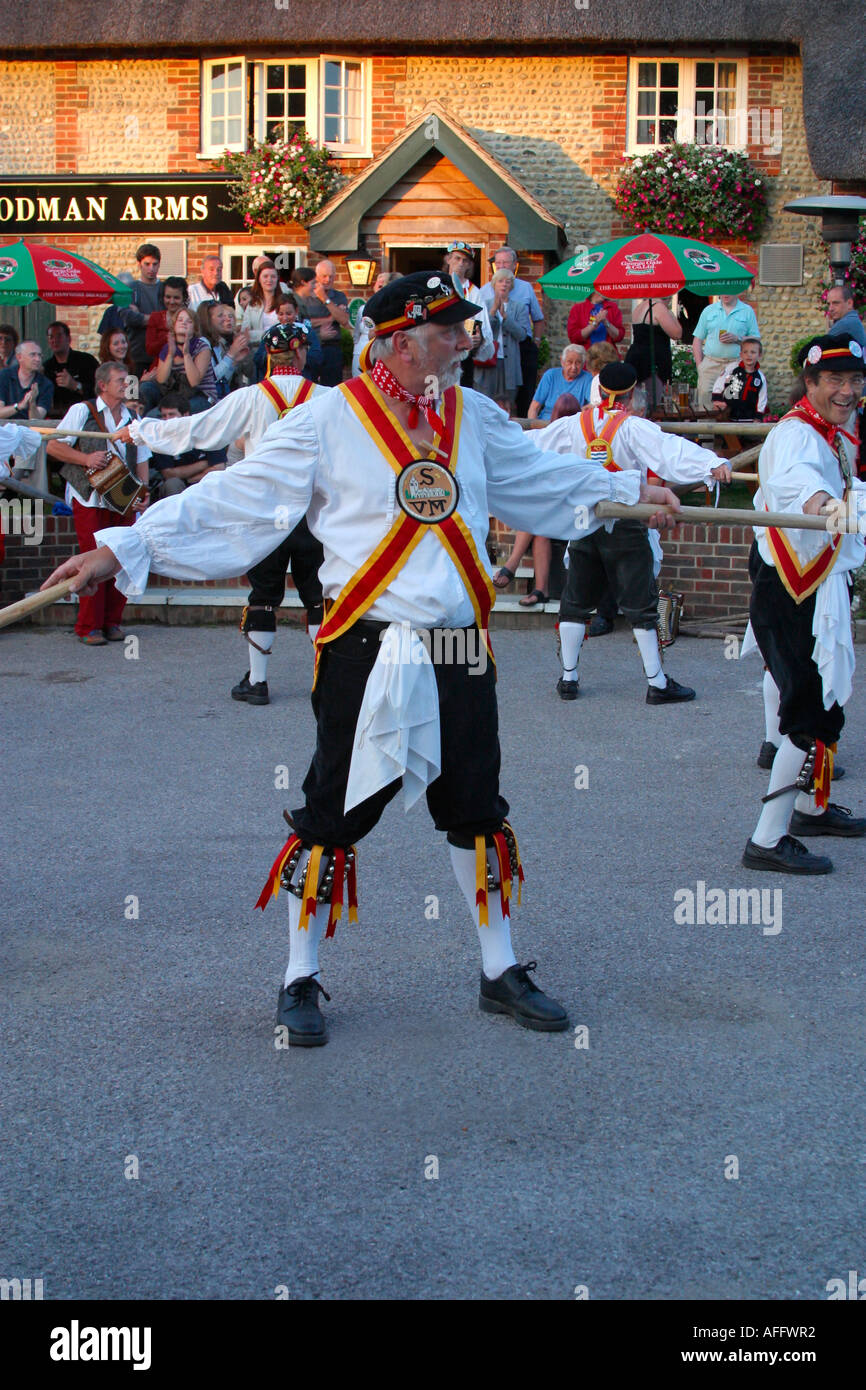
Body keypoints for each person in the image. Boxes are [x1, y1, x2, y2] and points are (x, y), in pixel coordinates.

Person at [43, 270, 679, 1047]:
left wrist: (632, 489)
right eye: (447, 330)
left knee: (477, 806)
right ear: (399, 341)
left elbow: (540, 478)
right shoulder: (327, 420)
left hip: (456, 643)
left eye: (460, 327)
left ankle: (500, 968)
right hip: (366, 639)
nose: (463, 339)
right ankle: (299, 976)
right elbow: (237, 497)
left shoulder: (471, 414)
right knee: (331, 812)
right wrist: (127, 546)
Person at [115, 321, 328, 702]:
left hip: (262, 515)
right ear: (301, 352)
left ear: (268, 355)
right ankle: (323, 683)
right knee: (317, 597)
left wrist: (139, 432)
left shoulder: (250, 398)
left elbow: (198, 429)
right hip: (312, 514)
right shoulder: (330, 399)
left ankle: (258, 683)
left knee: (263, 596)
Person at [742, 334, 866, 875]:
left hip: (813, 582)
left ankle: (811, 807)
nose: (847, 391)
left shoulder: (833, 432)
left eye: (855, 381)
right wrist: (826, 507)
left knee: (824, 699)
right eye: (834, 381)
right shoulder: (796, 435)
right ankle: (766, 840)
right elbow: (798, 486)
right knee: (806, 707)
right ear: (810, 383)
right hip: (791, 587)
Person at [538, 361, 730, 702]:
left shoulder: (572, 426)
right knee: (641, 603)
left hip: (584, 518)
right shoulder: (631, 427)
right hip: (625, 519)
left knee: (576, 600)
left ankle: (568, 678)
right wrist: (711, 464)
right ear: (630, 394)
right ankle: (656, 683)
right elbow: (669, 450)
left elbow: (532, 445)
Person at [44, 361, 151, 644]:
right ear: (102, 384)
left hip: (124, 499)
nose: (126, 385)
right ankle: (89, 626)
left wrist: (143, 494)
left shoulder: (133, 419)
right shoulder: (82, 411)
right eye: (119, 380)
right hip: (89, 498)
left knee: (122, 559)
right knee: (92, 558)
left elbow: (142, 462)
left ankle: (112, 621)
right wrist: (85, 459)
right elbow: (53, 446)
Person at [489, 246, 545, 417]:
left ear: (514, 265)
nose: (501, 265)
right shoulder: (486, 290)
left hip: (522, 347)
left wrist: (536, 342)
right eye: (498, 262)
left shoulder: (525, 287)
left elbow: (538, 318)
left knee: (523, 394)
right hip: (495, 350)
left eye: (505, 262)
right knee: (494, 394)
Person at [692, 291, 760, 412]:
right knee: (705, 404)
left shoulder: (747, 311)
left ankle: (729, 431)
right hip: (710, 364)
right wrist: (700, 366)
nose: (725, 294)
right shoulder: (709, 310)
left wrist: (737, 339)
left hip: (735, 365)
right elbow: (697, 340)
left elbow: (755, 339)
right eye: (722, 290)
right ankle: (705, 431)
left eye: (729, 290)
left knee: (733, 404)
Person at [144, 393, 214, 499]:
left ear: (185, 415)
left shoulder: (204, 432)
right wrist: (204, 464)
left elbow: (218, 467)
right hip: (179, 488)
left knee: (214, 480)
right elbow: (168, 474)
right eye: (164, 416)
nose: (167, 420)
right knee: (172, 483)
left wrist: (189, 477)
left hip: (204, 485)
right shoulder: (161, 439)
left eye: (171, 414)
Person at [443, 242, 494, 388]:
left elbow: (484, 328)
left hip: (463, 358)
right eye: (457, 258)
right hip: (438, 354)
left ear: (469, 265)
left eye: (465, 261)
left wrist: (479, 339)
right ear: (448, 259)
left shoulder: (474, 293)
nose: (460, 263)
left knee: (461, 400)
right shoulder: (437, 285)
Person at [474, 269, 525, 408]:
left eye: (507, 282)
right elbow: (480, 331)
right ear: (494, 284)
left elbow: (522, 335)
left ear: (511, 286)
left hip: (510, 363)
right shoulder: (484, 304)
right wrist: (492, 312)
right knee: (485, 402)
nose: (504, 285)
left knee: (508, 403)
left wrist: (506, 318)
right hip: (488, 360)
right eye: (500, 281)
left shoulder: (519, 307)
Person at [152, 306, 218, 413]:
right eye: (180, 320)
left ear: (195, 328)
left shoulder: (202, 347)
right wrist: (170, 355)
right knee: (147, 390)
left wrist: (186, 354)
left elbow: (194, 382)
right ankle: (133, 419)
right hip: (176, 396)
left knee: (170, 414)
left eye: (189, 321)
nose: (184, 323)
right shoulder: (168, 347)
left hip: (202, 396)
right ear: (174, 325)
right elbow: (161, 379)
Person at [297, 258, 349, 387]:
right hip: (310, 348)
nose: (327, 280)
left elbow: (344, 320)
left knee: (332, 389)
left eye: (331, 277)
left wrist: (324, 298)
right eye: (324, 276)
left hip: (332, 349)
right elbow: (302, 322)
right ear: (316, 276)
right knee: (309, 388)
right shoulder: (306, 296)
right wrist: (329, 319)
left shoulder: (339, 296)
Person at [252, 294, 322, 383]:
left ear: (296, 311)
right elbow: (258, 358)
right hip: (276, 381)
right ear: (276, 313)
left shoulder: (306, 332)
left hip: (302, 380)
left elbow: (317, 357)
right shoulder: (271, 333)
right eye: (281, 314)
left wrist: (294, 356)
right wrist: (274, 356)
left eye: (289, 314)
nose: (285, 318)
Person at [625, 297, 682, 400]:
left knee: (636, 399)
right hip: (653, 361)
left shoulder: (639, 307)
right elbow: (677, 334)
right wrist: (671, 315)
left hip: (635, 357)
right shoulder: (659, 308)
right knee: (654, 402)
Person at [42, 321, 99, 418]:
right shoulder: (46, 367)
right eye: (51, 337)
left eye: (59, 336)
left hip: (85, 416)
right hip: (56, 419)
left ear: (68, 338)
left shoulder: (87, 361)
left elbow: (99, 390)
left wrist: (76, 386)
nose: (55, 340)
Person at [125, 244, 164, 378]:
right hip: (136, 356)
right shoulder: (131, 289)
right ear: (139, 264)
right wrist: (159, 319)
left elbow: (171, 319)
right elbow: (128, 317)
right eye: (147, 264)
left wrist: (141, 316)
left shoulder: (165, 289)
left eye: (155, 264)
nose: (151, 268)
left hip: (162, 355)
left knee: (158, 396)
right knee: (132, 395)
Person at [352, 271, 401, 377]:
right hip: (363, 351)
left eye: (383, 284)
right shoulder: (366, 308)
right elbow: (358, 334)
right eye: (379, 283)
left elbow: (373, 334)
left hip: (385, 353)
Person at [198, 301, 251, 397]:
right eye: (220, 316)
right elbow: (211, 378)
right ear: (208, 320)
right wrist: (231, 353)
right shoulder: (202, 343)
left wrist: (234, 361)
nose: (225, 319)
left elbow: (223, 378)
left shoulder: (215, 343)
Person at [528, 344, 591, 420]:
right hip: (546, 423)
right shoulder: (550, 375)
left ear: (583, 364)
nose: (573, 367)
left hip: (572, 424)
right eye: (569, 362)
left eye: (578, 363)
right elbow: (534, 407)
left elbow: (593, 405)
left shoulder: (587, 379)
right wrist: (533, 428)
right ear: (562, 362)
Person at [711, 337, 768, 420]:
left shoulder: (760, 378)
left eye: (753, 352)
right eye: (745, 352)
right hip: (728, 416)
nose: (749, 355)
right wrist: (717, 400)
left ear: (759, 355)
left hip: (749, 419)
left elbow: (762, 399)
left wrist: (758, 417)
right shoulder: (732, 370)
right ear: (741, 354)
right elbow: (720, 383)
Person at [0, 340, 53, 420]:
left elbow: (36, 420)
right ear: (19, 357)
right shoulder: (4, 376)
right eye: (33, 355)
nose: (38, 359)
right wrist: (19, 406)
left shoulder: (46, 384)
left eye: (39, 355)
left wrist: (32, 403)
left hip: (29, 430)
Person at [241, 262, 285, 348]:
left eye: (273, 276)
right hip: (257, 353)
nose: (269, 280)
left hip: (281, 353)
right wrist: (271, 333)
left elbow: (289, 330)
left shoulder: (285, 302)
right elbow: (244, 334)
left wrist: (255, 334)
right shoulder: (252, 305)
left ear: (277, 279)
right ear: (259, 279)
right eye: (265, 276)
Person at [824, 282, 866, 351]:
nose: (830, 308)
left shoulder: (846, 323)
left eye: (836, 303)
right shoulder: (853, 320)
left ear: (849, 303)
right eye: (829, 304)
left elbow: (821, 349)